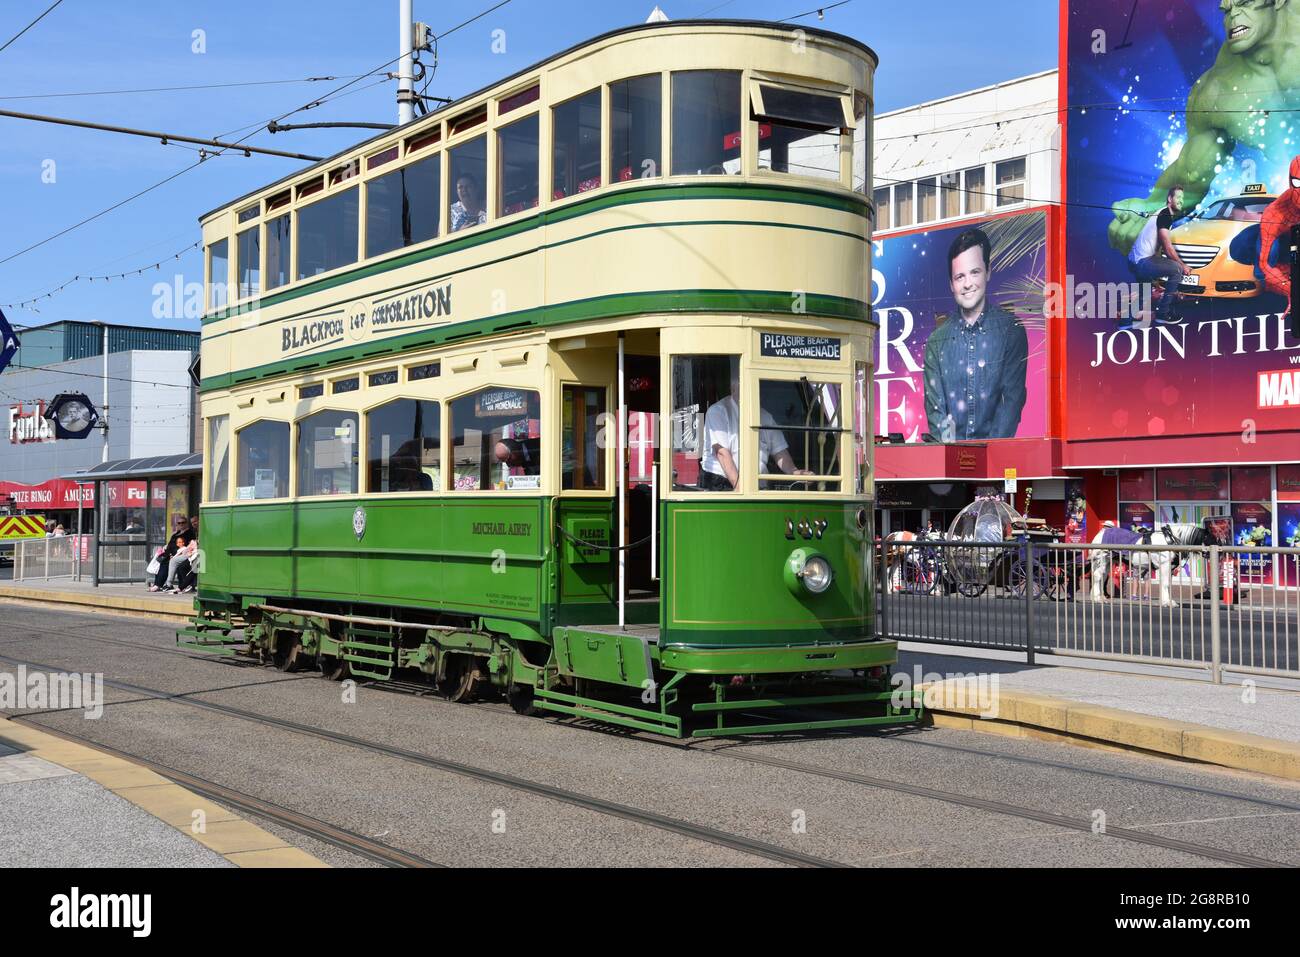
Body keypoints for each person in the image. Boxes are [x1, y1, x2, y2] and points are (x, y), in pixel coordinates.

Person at [922, 228, 1029, 442]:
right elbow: (936, 409)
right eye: (960, 276)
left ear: (988, 271)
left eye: (975, 272)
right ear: (951, 284)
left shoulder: (1011, 330)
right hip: (950, 468)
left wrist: (988, 459)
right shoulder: (937, 341)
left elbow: (1011, 401)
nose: (967, 283)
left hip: (997, 465)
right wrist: (952, 457)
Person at [698, 366, 811, 490]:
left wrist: (795, 473)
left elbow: (779, 451)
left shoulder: (765, 417)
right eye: (742, 383)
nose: (746, 388)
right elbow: (722, 453)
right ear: (732, 387)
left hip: (756, 485)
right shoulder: (718, 411)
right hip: (721, 484)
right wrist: (741, 490)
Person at [1127, 185, 1188, 324]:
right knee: (1176, 269)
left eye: (1182, 198)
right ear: (1169, 198)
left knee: (1145, 290)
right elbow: (1167, 247)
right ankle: (1163, 313)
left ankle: (1128, 320)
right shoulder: (1165, 214)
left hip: (1134, 261)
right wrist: (1182, 265)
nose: (1181, 201)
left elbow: (1159, 248)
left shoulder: (1162, 213)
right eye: (1178, 197)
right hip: (1142, 261)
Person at [149, 515, 193, 592]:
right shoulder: (176, 534)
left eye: (183, 522)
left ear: (187, 523)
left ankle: (164, 584)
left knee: (167, 563)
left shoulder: (189, 533)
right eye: (179, 523)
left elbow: (187, 546)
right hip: (170, 553)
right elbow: (170, 544)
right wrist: (167, 552)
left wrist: (174, 554)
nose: (181, 524)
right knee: (162, 562)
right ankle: (157, 584)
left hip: (181, 554)